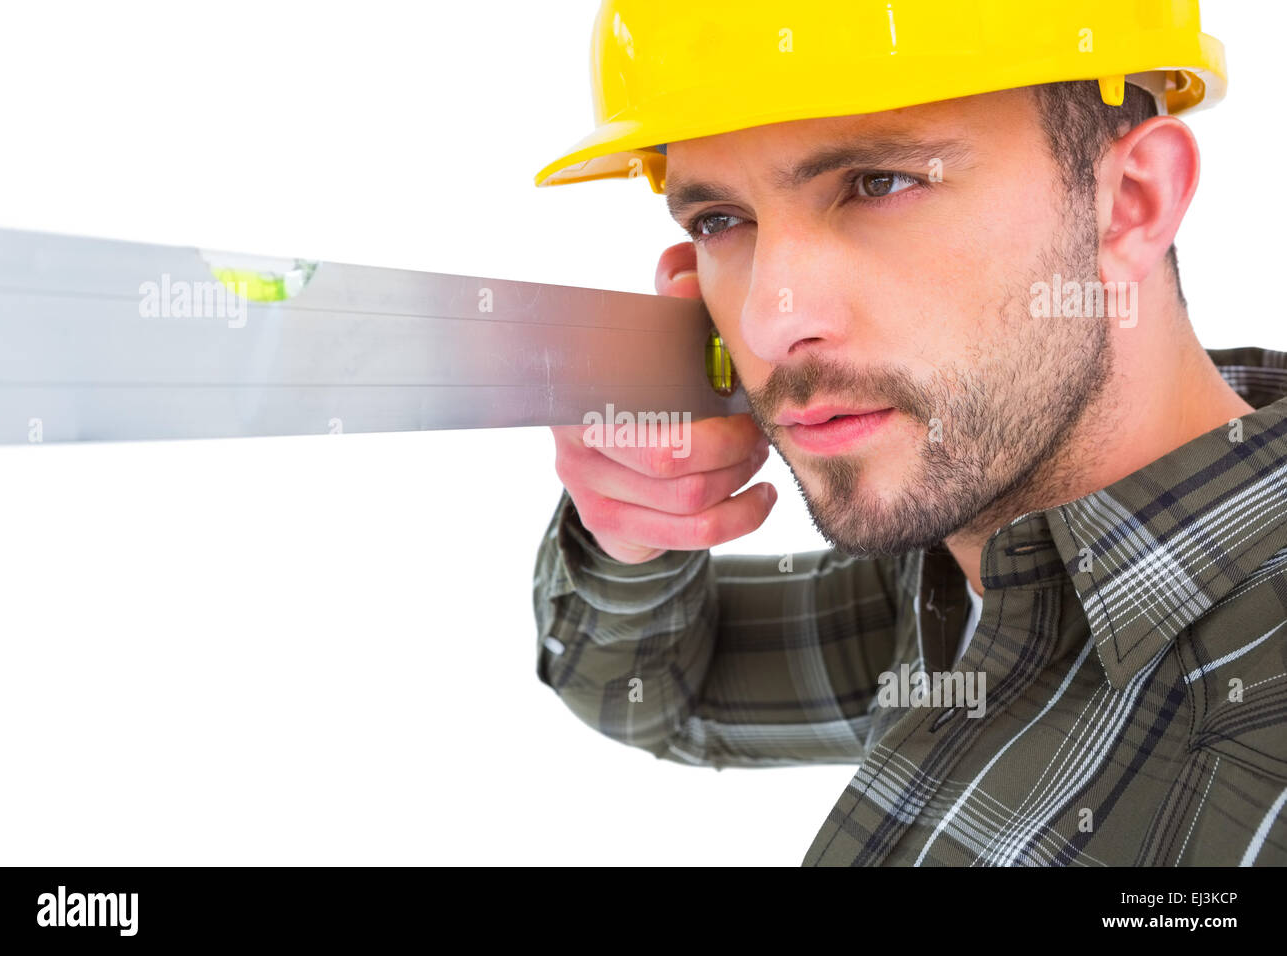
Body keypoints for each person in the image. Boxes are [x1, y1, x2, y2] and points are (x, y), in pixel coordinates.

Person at [531, 0, 1287, 865]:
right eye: (719, 221)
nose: (772, 323)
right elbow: (654, 690)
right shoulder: (962, 559)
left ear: (1129, 203)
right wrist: (640, 535)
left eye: (879, 183)